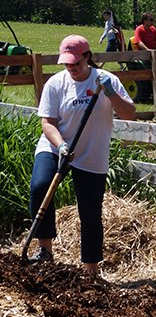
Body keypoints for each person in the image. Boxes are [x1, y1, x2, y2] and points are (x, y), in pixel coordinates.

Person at [27, 35, 136, 275]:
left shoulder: (107, 80)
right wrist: (62, 146)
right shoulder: (56, 84)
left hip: (91, 153)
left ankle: (90, 269)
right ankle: (44, 250)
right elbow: (48, 123)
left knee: (89, 210)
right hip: (56, 146)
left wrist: (111, 94)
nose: (71, 68)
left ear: (87, 57)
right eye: (67, 64)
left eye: (75, 63)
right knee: (40, 186)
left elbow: (130, 114)